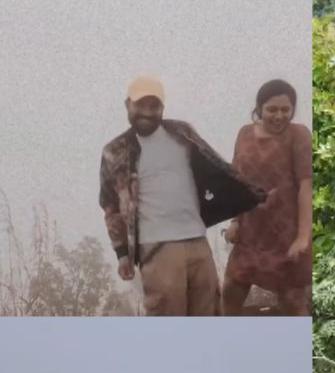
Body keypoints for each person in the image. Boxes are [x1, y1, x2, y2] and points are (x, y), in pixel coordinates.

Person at [98, 75, 265, 315]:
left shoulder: (182, 133)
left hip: (198, 241)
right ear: (128, 105)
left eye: (153, 106)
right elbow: (110, 206)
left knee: (209, 317)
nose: (147, 112)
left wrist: (251, 194)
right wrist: (122, 254)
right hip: (157, 248)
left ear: (162, 108)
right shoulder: (114, 151)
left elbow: (218, 167)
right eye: (140, 105)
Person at [223, 79, 313, 316]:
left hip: (286, 234)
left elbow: (306, 185)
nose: (279, 116)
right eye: (272, 109)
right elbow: (235, 182)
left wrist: (303, 237)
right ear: (259, 109)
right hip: (250, 232)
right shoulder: (244, 134)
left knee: (293, 303)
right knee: (231, 291)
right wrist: (233, 222)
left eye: (286, 109)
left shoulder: (299, 135)